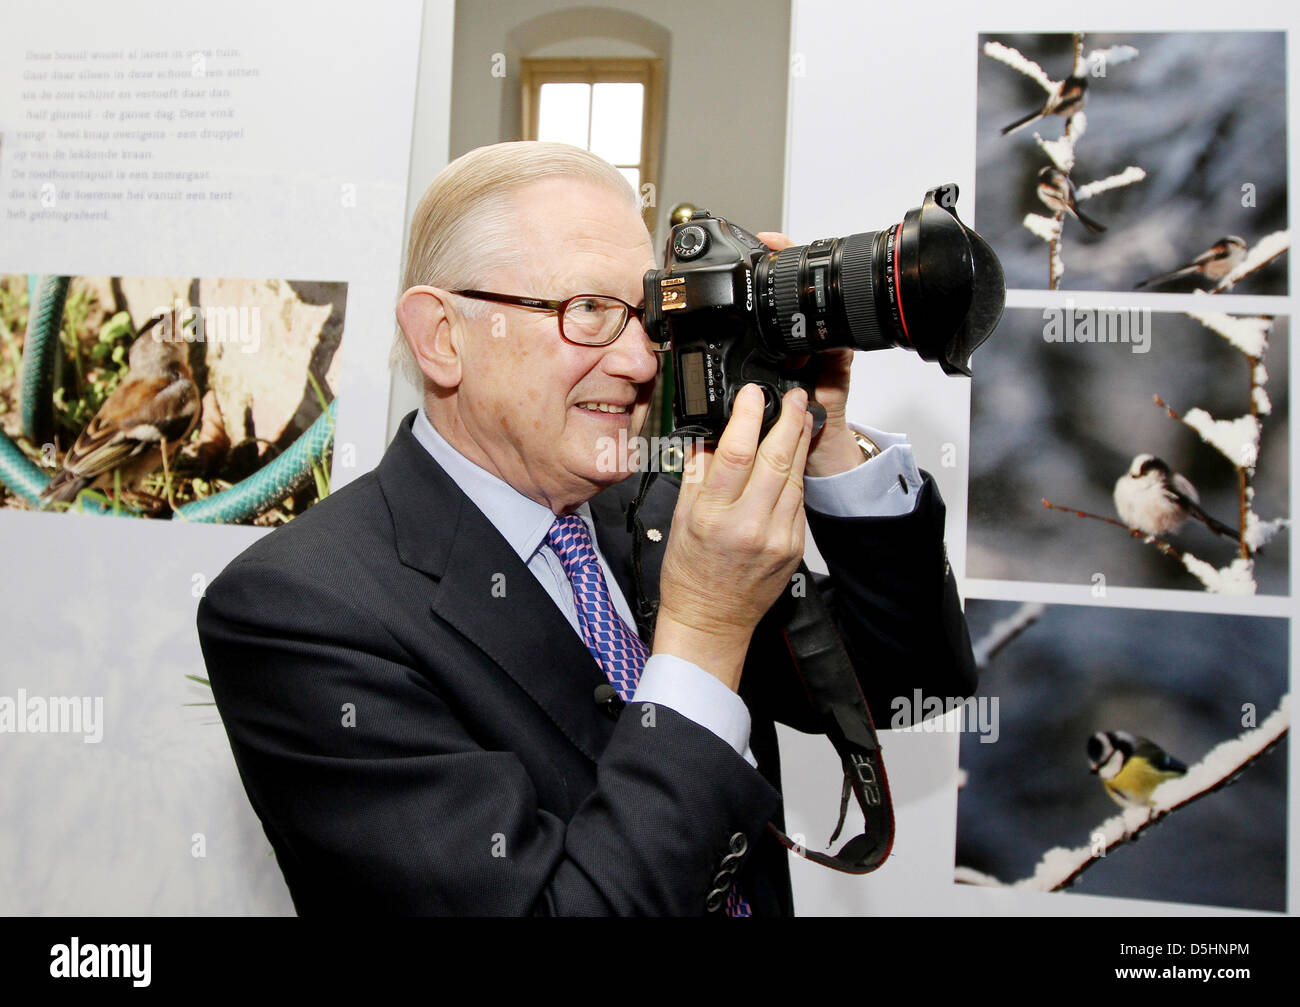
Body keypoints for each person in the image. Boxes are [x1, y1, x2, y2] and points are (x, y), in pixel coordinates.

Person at [196, 141, 976, 916]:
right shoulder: (301, 610)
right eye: (589, 311)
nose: (642, 360)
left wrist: (828, 433)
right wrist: (704, 629)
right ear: (442, 337)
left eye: (644, 313)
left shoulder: (660, 513)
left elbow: (910, 683)